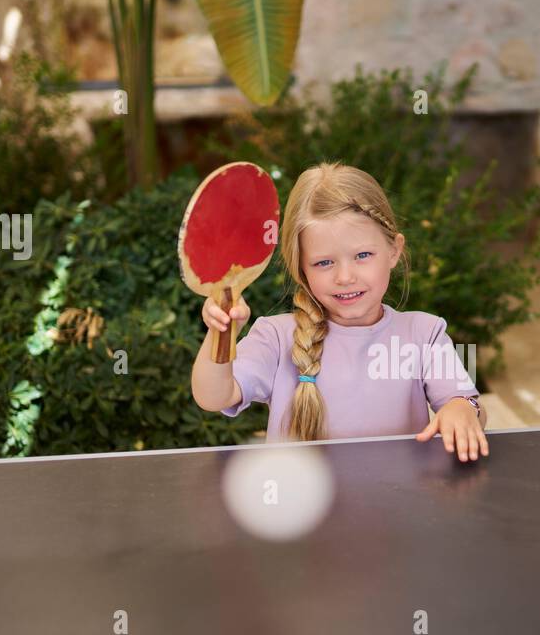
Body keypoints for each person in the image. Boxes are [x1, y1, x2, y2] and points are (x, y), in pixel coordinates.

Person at [192, 161, 489, 463]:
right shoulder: (275, 337)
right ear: (300, 268)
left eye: (363, 255)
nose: (345, 277)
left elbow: (469, 404)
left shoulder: (427, 333)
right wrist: (221, 333)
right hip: (298, 495)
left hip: (398, 494)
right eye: (324, 263)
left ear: (394, 251)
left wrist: (463, 408)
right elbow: (214, 397)